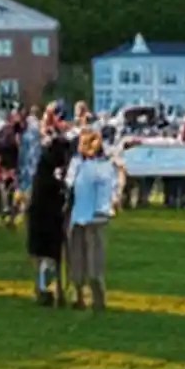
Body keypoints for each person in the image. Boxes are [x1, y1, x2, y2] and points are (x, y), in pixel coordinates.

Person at [66, 130, 115, 311]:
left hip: (96, 217)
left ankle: (97, 299)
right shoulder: (77, 164)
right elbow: (69, 184)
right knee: (78, 259)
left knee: (94, 262)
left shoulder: (104, 166)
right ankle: (79, 296)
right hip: (79, 216)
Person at [27, 125, 74, 306]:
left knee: (40, 256)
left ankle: (41, 289)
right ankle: (57, 291)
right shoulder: (52, 175)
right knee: (53, 255)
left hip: (39, 214)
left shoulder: (42, 169)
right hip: (50, 216)